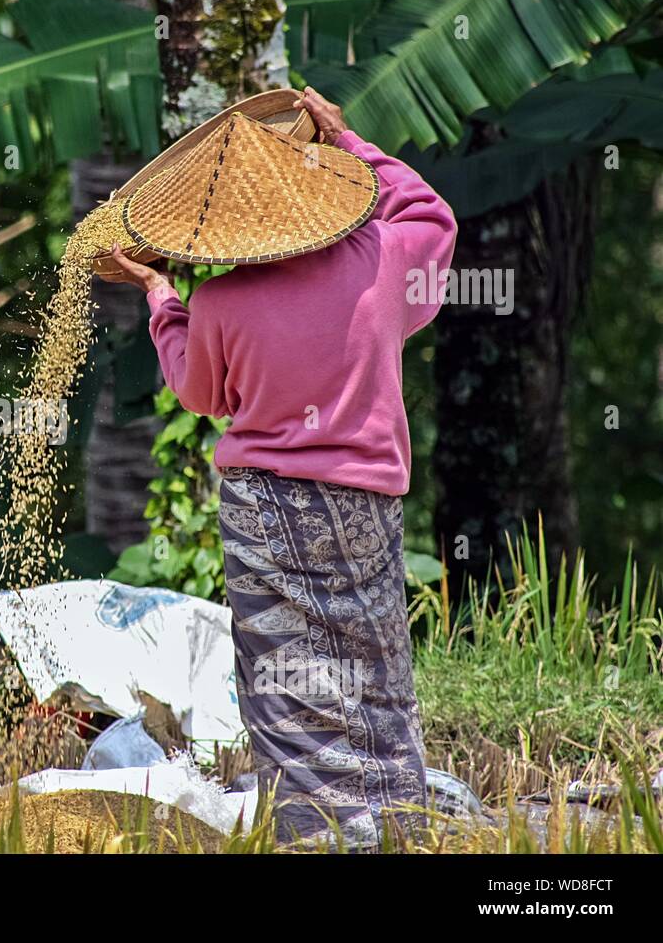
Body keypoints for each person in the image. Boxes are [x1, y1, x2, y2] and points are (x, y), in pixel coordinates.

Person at [104, 87, 458, 849]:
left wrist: (160, 293)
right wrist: (352, 139)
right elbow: (433, 217)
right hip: (368, 499)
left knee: (288, 683)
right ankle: (398, 827)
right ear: (318, 186)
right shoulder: (384, 260)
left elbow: (199, 393)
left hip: (267, 508)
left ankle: (315, 834)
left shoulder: (225, 301)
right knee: (376, 663)